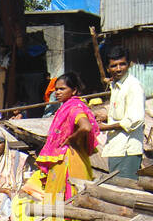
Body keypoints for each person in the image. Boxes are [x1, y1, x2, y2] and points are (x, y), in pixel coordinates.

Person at [37, 72, 101, 204]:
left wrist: (71, 138)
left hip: (69, 157)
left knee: (67, 195)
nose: (58, 93)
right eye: (56, 89)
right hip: (68, 157)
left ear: (74, 90)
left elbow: (86, 127)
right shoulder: (68, 107)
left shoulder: (74, 108)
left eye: (62, 89)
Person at [101, 46, 145, 179]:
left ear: (129, 64)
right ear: (108, 68)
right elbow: (121, 114)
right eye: (114, 66)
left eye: (122, 64)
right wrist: (105, 117)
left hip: (127, 149)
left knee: (125, 190)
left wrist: (105, 127)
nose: (119, 69)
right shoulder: (116, 85)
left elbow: (134, 120)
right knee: (115, 187)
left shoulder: (133, 86)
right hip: (116, 147)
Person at [0, 129, 28, 200]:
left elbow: (26, 178)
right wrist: (6, 191)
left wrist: (22, 190)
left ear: (5, 144)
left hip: (19, 192)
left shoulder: (16, 157)